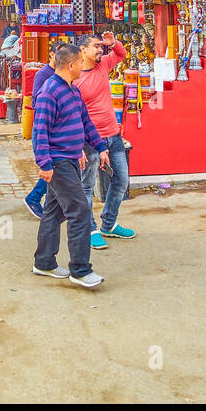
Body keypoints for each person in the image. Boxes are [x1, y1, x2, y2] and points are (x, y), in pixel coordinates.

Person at [31, 44, 106, 289]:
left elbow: (85, 122)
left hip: (71, 159)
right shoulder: (49, 92)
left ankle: (44, 262)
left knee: (54, 212)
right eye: (80, 62)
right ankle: (80, 270)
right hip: (58, 161)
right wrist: (44, 163)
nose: (83, 66)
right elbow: (40, 132)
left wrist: (100, 147)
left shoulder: (73, 90)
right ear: (72, 65)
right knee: (79, 210)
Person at [75, 32, 136, 250]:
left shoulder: (103, 66)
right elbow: (72, 114)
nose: (100, 50)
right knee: (87, 186)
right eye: (96, 46)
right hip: (90, 139)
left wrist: (114, 43)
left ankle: (108, 224)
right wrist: (78, 144)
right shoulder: (75, 77)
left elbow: (121, 54)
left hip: (113, 134)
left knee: (121, 180)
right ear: (82, 50)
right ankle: (89, 229)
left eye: (101, 46)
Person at [22, 49, 58, 219]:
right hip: (44, 127)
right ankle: (34, 197)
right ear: (51, 54)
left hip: (56, 128)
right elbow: (35, 102)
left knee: (57, 169)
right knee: (52, 167)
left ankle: (48, 205)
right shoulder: (43, 74)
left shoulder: (63, 73)